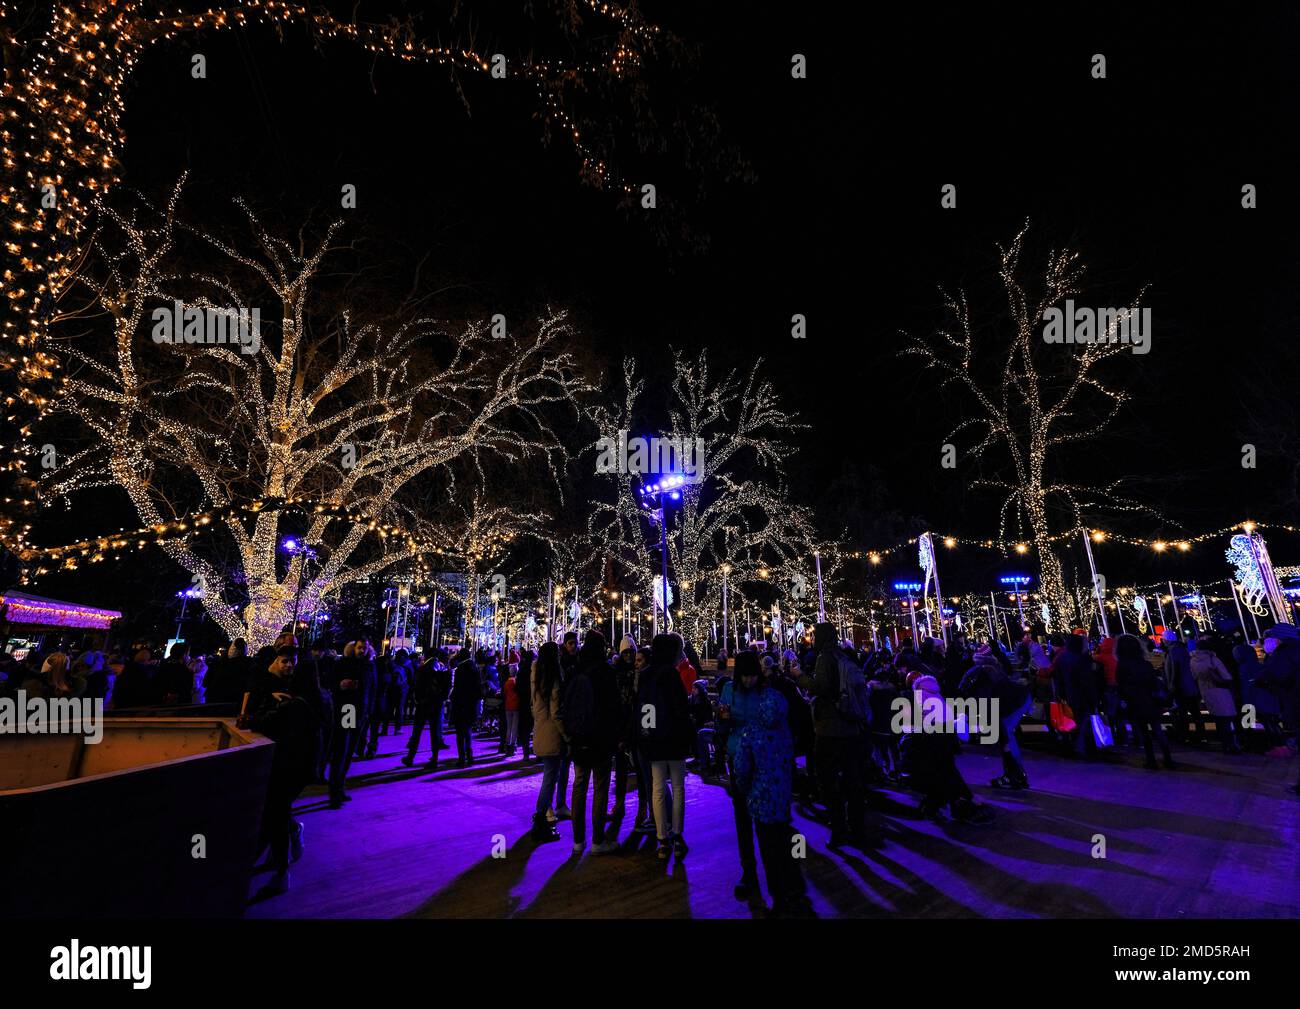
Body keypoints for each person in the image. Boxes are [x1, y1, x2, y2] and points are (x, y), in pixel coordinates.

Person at [242, 644, 323, 897]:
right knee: (272, 814)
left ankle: (278, 870)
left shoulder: (298, 699)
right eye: (285, 661)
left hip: (290, 764)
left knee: (273, 815)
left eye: (293, 663)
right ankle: (279, 853)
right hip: (284, 762)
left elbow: (272, 721)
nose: (290, 666)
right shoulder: (266, 687)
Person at [732, 672, 810, 916]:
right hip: (781, 794)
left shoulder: (753, 731)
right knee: (784, 840)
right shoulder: (784, 730)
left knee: (769, 850)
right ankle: (795, 887)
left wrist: (743, 786)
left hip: (759, 796)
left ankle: (779, 897)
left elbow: (742, 766)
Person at [803, 622, 872, 848]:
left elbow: (821, 688)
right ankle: (859, 829)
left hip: (830, 729)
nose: (812, 639)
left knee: (828, 781)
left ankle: (839, 829)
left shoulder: (824, 658)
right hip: (851, 726)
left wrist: (798, 677)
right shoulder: (844, 655)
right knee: (853, 780)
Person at [561, 630, 622, 855]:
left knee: (579, 785)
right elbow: (614, 706)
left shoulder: (575, 669)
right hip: (601, 737)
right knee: (600, 787)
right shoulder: (606, 671)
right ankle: (598, 840)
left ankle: (578, 840)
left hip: (578, 736)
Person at [637, 633, 693, 861]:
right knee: (677, 786)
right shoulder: (672, 675)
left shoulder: (647, 675)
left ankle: (662, 837)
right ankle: (677, 835)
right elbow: (680, 709)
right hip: (674, 738)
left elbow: (645, 706)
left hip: (655, 739)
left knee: (658, 787)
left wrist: (647, 731)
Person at [720, 651, 768, 899]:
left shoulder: (765, 692)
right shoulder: (730, 689)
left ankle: (770, 868)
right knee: (742, 816)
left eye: (752, 675)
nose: (749, 680)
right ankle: (748, 869)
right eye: (745, 676)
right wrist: (723, 719)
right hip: (738, 757)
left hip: (761, 757)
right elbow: (723, 722)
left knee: (763, 817)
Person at [959, 642, 1032, 789]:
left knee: (1006, 738)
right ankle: (1014, 773)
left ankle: (1016, 774)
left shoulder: (983, 676)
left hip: (1013, 703)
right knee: (1005, 737)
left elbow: (990, 704)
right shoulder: (990, 669)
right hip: (1016, 700)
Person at [1115, 633, 1174, 769]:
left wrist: (1124, 699)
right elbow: (1153, 681)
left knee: (1143, 731)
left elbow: (1121, 684)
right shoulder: (1145, 663)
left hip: (1135, 701)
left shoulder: (1122, 665)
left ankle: (1151, 759)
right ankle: (1167, 758)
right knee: (1157, 729)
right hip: (1149, 699)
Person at [528, 643, 564, 840]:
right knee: (550, 778)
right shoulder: (552, 679)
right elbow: (556, 711)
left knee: (549, 776)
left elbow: (534, 707)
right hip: (551, 732)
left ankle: (542, 815)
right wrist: (565, 734)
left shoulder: (535, 675)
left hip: (540, 728)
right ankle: (541, 816)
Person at [1191, 635, 1241, 754]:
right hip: (1220, 689)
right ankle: (1233, 744)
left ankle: (1224, 744)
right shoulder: (1213, 659)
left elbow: (1194, 676)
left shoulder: (1193, 660)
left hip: (1206, 690)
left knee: (1218, 719)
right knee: (1228, 719)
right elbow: (1226, 676)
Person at [1055, 633, 1099, 758]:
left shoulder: (1062, 658)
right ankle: (1082, 746)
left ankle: (1075, 744)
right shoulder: (1082, 659)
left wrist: (1061, 693)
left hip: (1069, 694)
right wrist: (1094, 698)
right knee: (1084, 720)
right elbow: (1087, 680)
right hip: (1082, 693)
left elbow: (1059, 679)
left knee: (1074, 720)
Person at [403, 650, 447, 766]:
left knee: (417, 731)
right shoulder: (442, 668)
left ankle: (410, 756)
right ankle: (435, 758)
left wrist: (418, 699)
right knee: (435, 731)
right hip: (436, 704)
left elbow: (418, 685)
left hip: (424, 703)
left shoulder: (423, 668)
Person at [1163, 630, 1201, 745]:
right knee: (1193, 712)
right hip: (1187, 685)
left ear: (1167, 640)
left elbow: (1175, 668)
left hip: (1181, 686)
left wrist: (1172, 685)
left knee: (1184, 712)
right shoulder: (1180, 649)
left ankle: (1185, 735)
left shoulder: (1174, 650)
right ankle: (1197, 734)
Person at [449, 649, 482, 768]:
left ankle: (461, 757)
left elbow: (457, 688)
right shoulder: (475, 668)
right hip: (471, 704)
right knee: (467, 731)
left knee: (460, 733)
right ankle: (470, 754)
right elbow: (478, 688)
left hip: (461, 704)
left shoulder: (460, 670)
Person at [502, 665, 521, 755]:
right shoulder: (516, 682)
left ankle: (508, 744)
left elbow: (505, 693)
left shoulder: (507, 683)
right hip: (516, 705)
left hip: (508, 705)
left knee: (509, 726)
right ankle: (513, 745)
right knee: (514, 727)